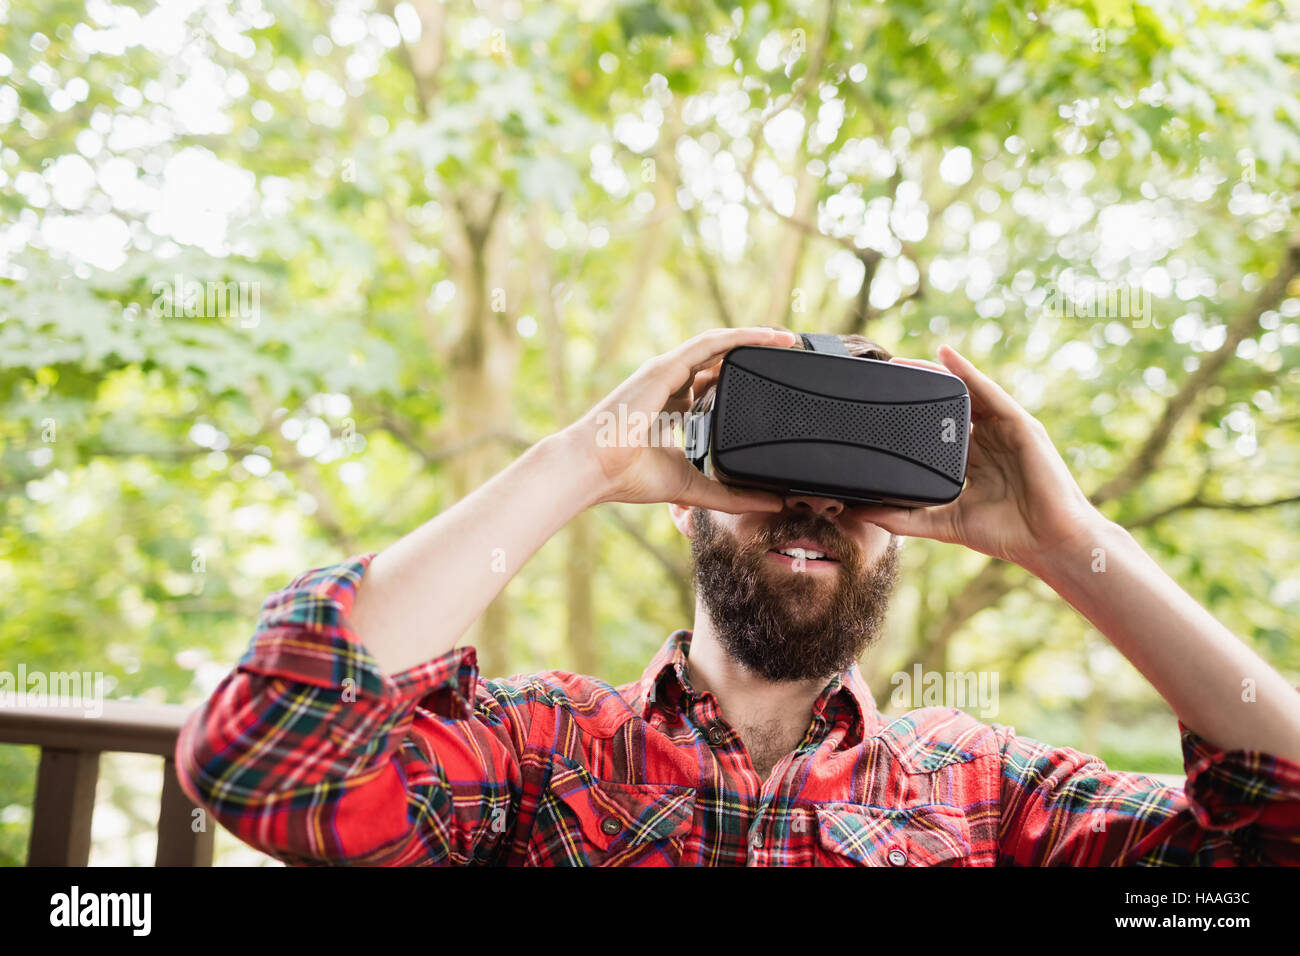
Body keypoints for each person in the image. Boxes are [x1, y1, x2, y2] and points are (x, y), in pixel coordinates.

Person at [175, 326, 1300, 865]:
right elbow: (271, 754)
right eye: (767, 472)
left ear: (904, 533)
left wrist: (1067, 539)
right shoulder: (538, 750)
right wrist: (585, 459)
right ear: (683, 497)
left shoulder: (984, 788)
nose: (812, 506)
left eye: (860, 489)